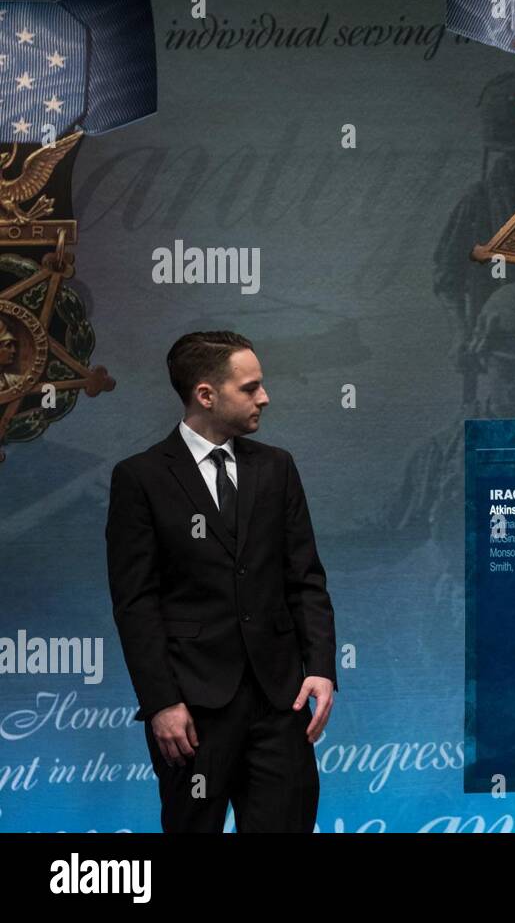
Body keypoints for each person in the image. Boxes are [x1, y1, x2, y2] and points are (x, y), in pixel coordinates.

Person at [106, 331, 337, 832]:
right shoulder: (140, 478)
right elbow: (136, 603)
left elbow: (306, 580)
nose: (265, 397)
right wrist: (162, 702)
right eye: (250, 387)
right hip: (192, 712)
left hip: (281, 704)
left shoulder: (277, 468)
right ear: (205, 395)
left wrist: (321, 667)